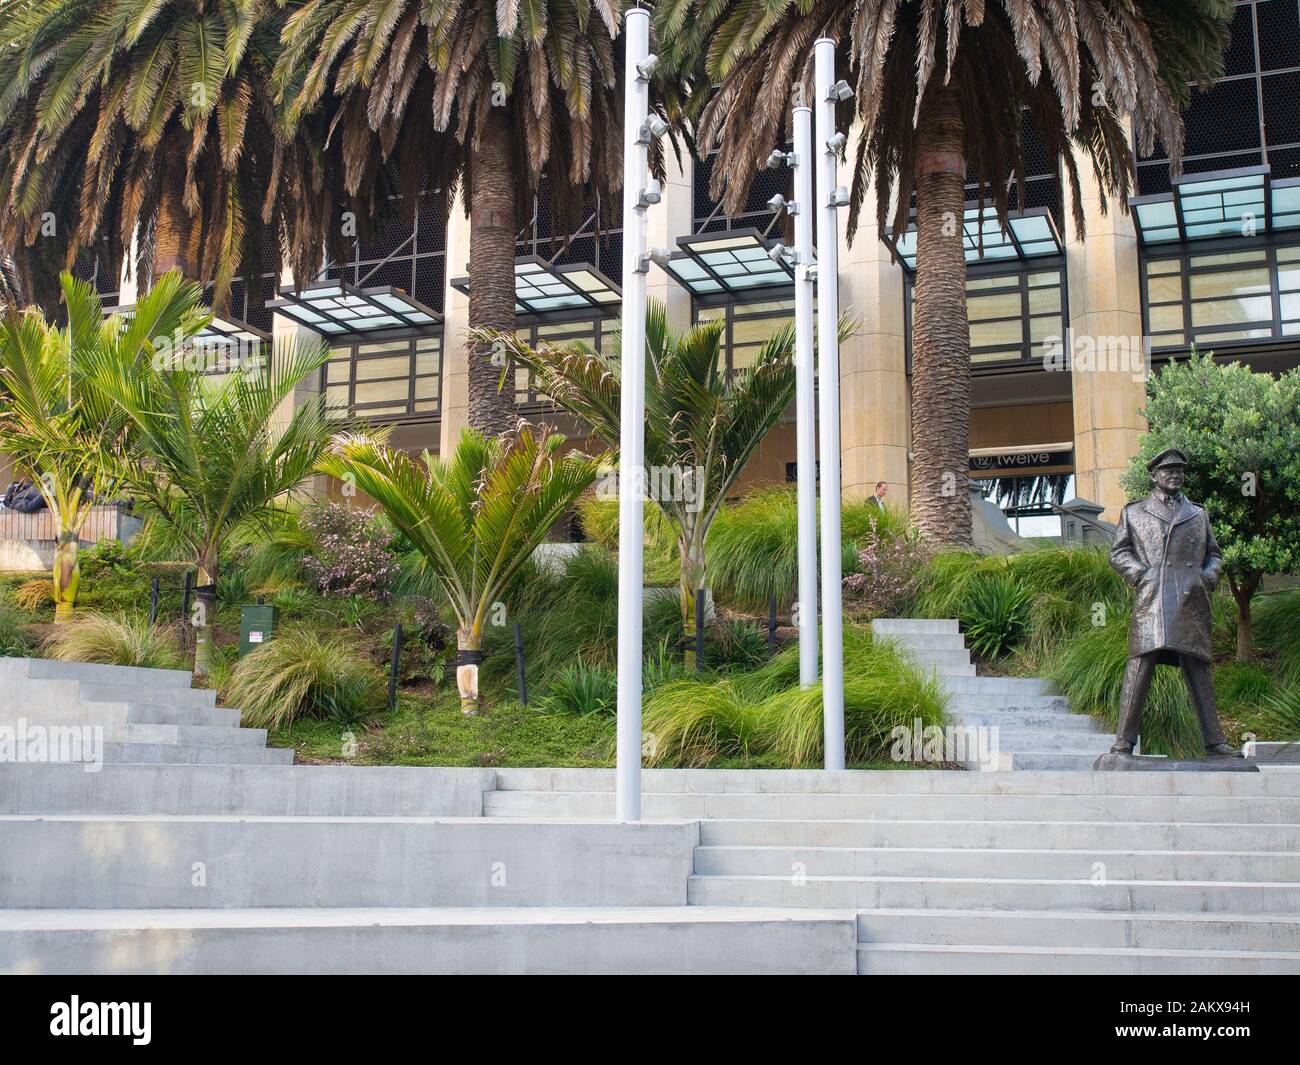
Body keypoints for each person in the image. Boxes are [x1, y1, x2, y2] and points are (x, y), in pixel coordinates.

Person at [1108, 447, 1239, 758]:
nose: (1175, 475)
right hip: (1153, 600)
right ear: (1155, 476)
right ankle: (1123, 742)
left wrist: (1206, 577)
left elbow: (1214, 554)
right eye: (1168, 470)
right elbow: (1118, 553)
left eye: (1179, 470)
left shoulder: (1198, 514)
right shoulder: (1134, 513)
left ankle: (1214, 742)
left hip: (1190, 601)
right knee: (1140, 667)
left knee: (1198, 670)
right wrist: (1140, 574)